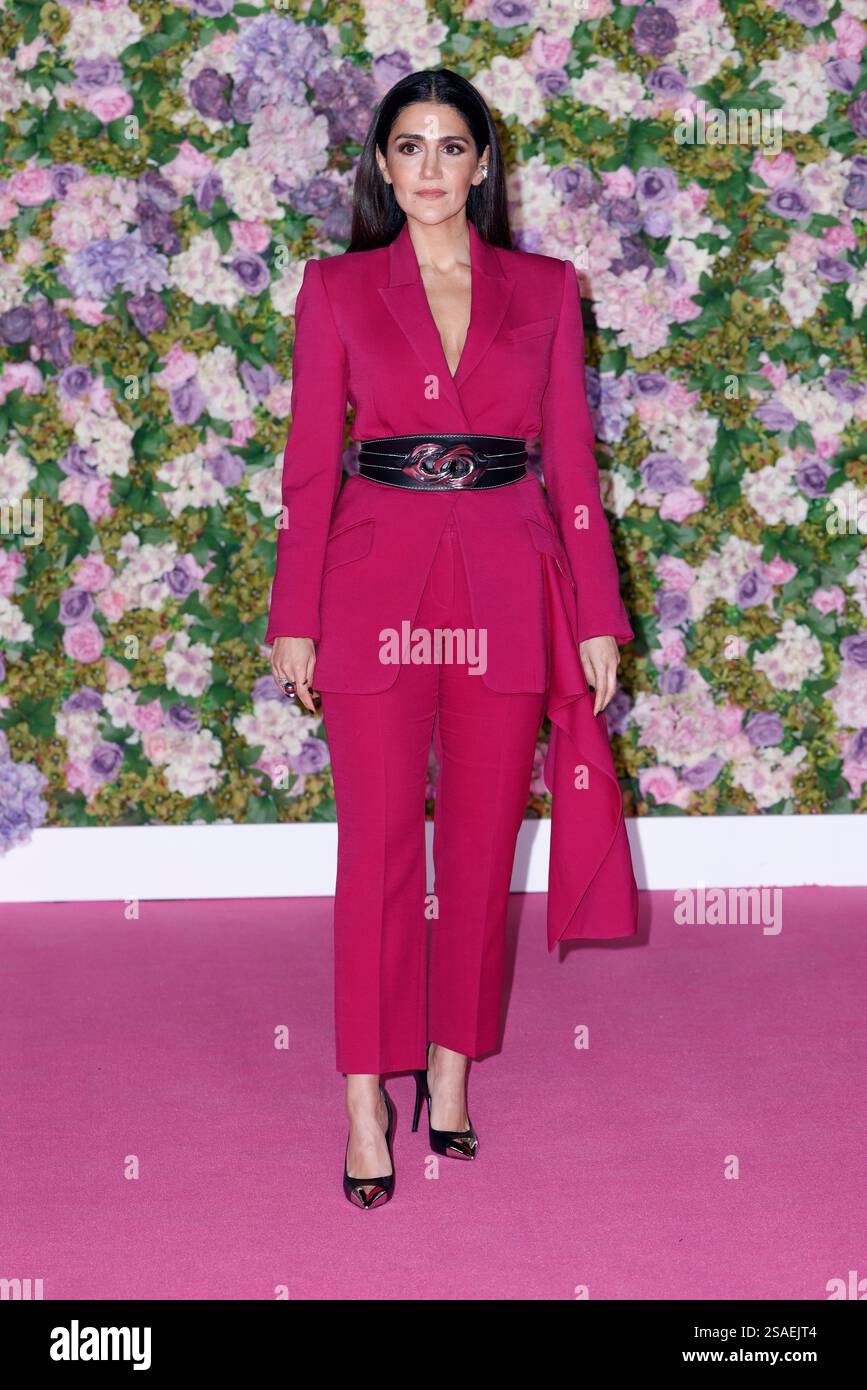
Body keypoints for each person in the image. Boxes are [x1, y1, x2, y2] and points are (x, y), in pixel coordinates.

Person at [266, 69, 639, 1209]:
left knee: (479, 847)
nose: (430, 168)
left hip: (510, 587)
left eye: (452, 147)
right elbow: (306, 466)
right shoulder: (333, 289)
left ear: (483, 164)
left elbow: (574, 465)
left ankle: (450, 1070)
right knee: (376, 849)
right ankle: (366, 1098)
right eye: (409, 146)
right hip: (372, 589)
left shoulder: (546, 287)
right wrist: (294, 615)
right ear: (382, 165)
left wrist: (599, 614)